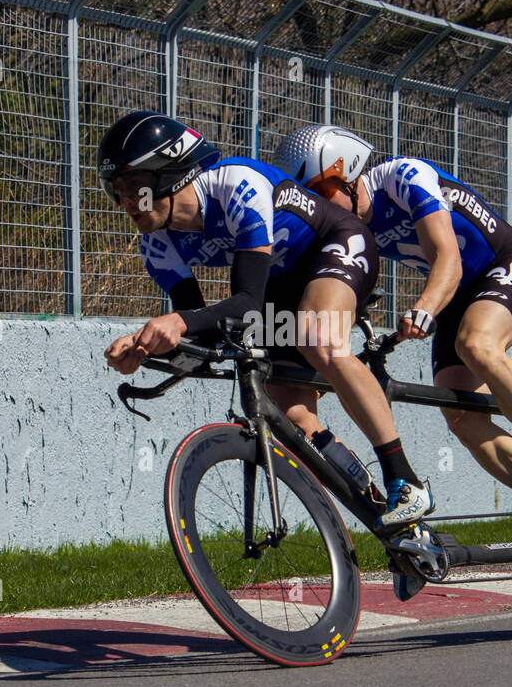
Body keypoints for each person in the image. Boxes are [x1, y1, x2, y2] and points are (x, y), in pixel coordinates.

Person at [98, 111, 433, 530]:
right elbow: (203, 328)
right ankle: (391, 522)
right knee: (289, 416)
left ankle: (405, 478)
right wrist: (147, 348)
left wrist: (178, 324)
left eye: (135, 188)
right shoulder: (157, 244)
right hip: (280, 278)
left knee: (318, 337)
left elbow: (245, 304)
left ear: (169, 174)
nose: (127, 203)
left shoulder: (234, 184)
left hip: (335, 244)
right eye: (117, 192)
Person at [273, 123, 512, 523]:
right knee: (460, 415)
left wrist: (424, 308)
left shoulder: (403, 178)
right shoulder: (344, 227)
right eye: (309, 196)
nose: (321, 203)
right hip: (461, 295)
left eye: (322, 190)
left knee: (477, 344)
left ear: (348, 171)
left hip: (507, 265)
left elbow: (448, 258)